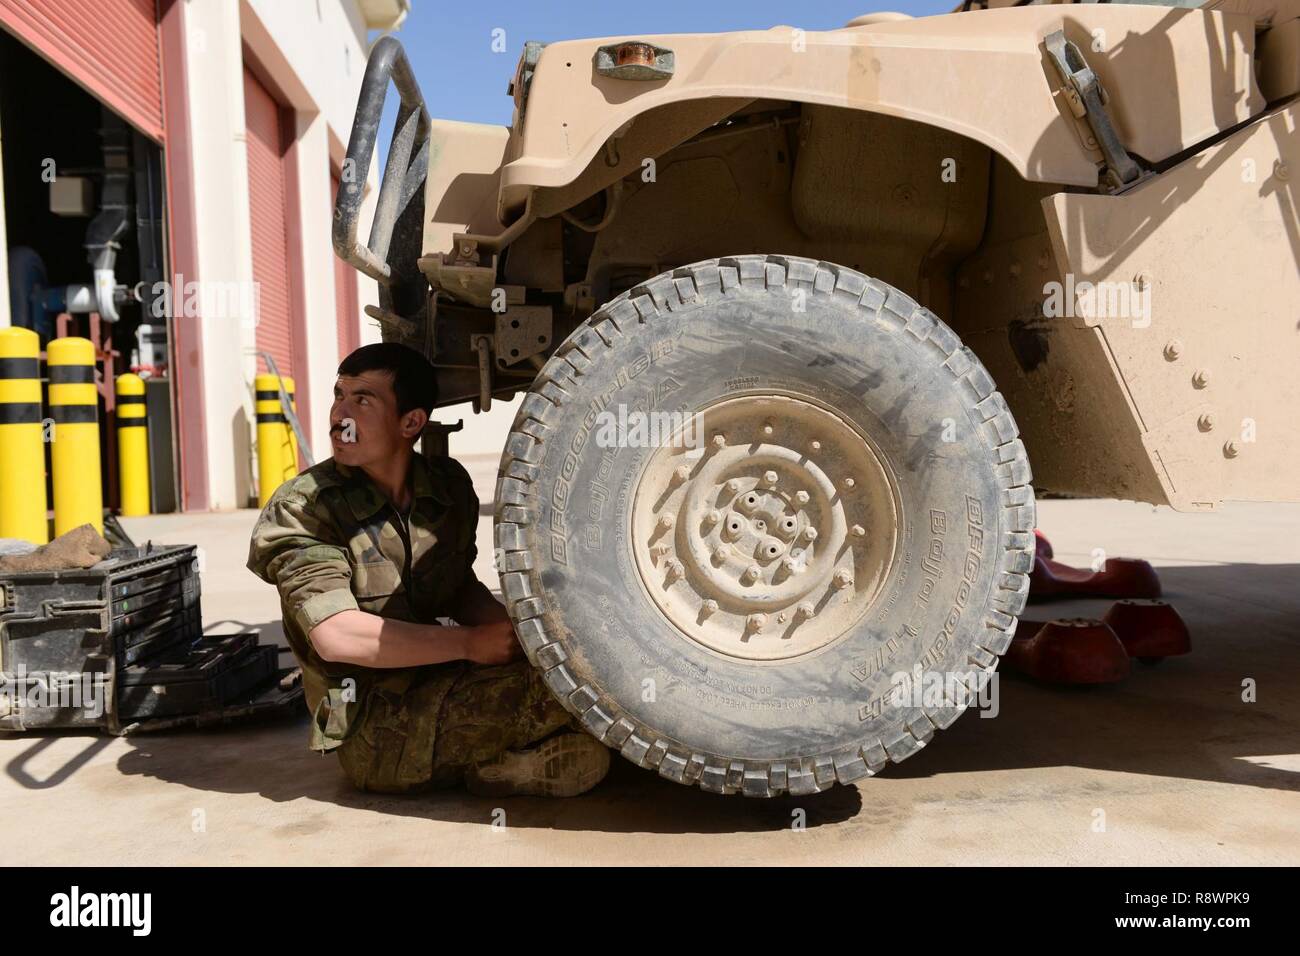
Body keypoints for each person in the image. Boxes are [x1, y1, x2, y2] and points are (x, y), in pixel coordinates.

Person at [247, 343, 609, 797]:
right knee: (570, 695)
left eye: (362, 399)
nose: (339, 414)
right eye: (339, 395)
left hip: (440, 677)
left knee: (586, 665)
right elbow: (335, 634)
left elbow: (455, 588)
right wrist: (468, 644)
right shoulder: (305, 507)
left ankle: (508, 761)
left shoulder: (446, 487)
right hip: (373, 724)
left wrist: (519, 636)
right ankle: (496, 767)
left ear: (411, 422)